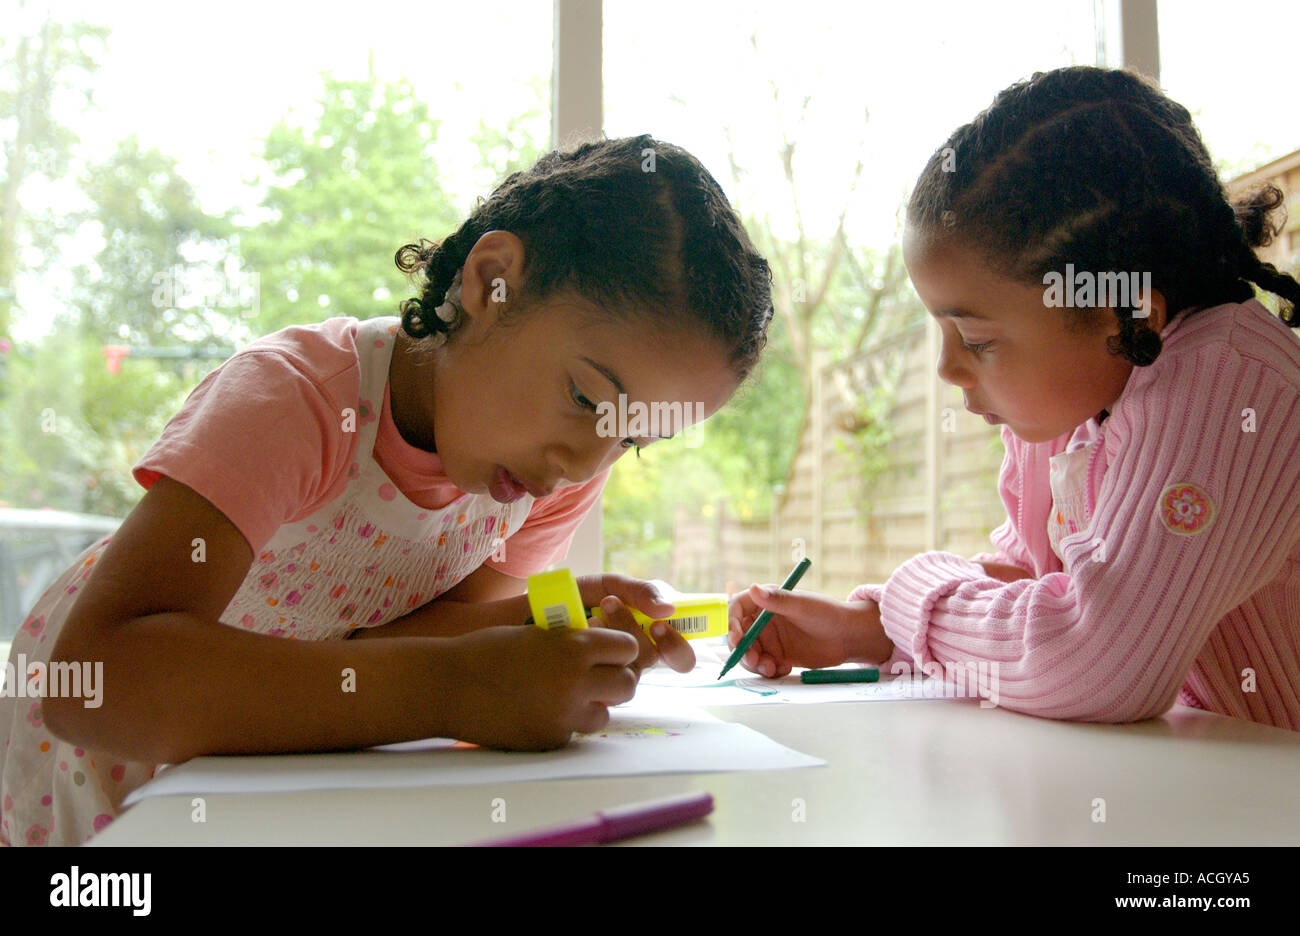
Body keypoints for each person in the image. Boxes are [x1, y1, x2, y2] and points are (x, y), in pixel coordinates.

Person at [1, 134, 774, 845]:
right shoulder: (296, 400)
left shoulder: (547, 477)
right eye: (585, 400)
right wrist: (453, 689)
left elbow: (392, 648)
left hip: (256, 797)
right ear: (491, 280)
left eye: (631, 438)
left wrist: (548, 631)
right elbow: (99, 685)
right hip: (87, 799)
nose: (585, 462)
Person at [729, 66, 1300, 733]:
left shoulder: (1230, 390)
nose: (946, 369)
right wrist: (868, 628)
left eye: (976, 339)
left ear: (1129, 317)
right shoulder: (1081, 398)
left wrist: (908, 605)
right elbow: (1031, 579)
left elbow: (1097, 658)